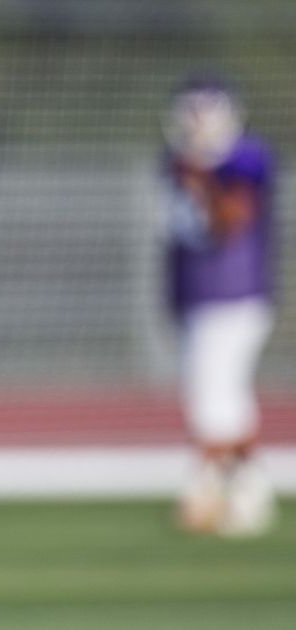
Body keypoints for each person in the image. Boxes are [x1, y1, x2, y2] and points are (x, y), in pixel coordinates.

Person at [161, 75, 279, 537]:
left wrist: (203, 180)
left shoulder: (245, 158)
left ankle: (207, 485)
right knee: (227, 399)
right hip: (198, 296)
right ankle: (250, 489)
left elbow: (230, 220)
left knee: (213, 400)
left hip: (235, 294)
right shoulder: (173, 162)